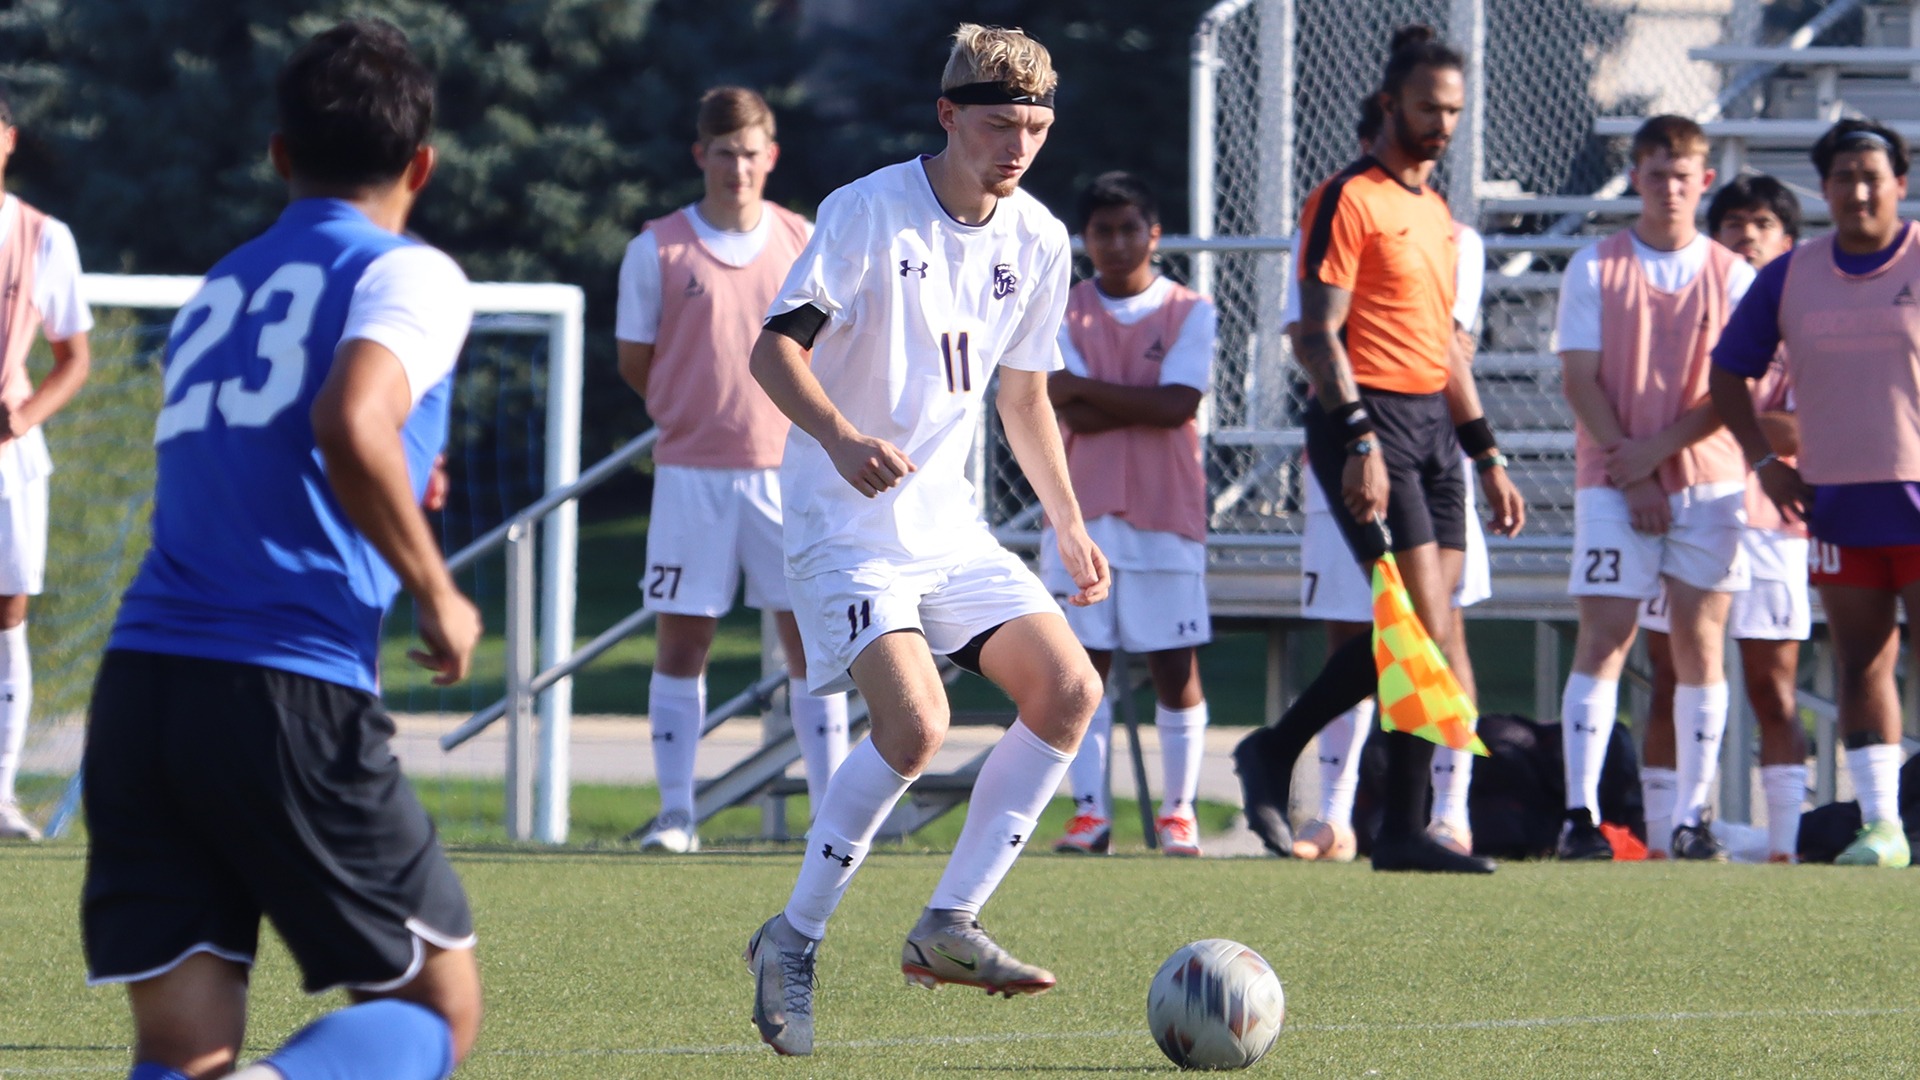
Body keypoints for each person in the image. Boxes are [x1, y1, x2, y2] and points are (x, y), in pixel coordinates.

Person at [80, 21, 483, 1079]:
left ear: (279, 154)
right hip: (280, 682)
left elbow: (265, 452)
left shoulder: (223, 283)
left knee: (182, 1046)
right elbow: (349, 422)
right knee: (435, 1008)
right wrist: (435, 588)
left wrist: (397, 464)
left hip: (142, 686)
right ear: (422, 166)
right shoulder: (410, 273)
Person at [740, 24, 1108, 1057]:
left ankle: (948, 924)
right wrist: (840, 436)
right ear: (948, 115)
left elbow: (1024, 398)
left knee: (1069, 691)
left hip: (949, 528)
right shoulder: (866, 211)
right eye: (999, 125)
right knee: (916, 726)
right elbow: (773, 354)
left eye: (1036, 127)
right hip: (844, 525)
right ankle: (792, 938)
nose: (1019, 145)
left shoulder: (1040, 239)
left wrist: (1068, 521)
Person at [1233, 26, 1522, 875]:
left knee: (1431, 629)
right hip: (1368, 420)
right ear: (1391, 104)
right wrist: (1359, 437)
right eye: (1429, 108)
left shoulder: (1436, 215)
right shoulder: (1346, 197)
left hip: (1434, 429)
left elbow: (1447, 351)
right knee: (1416, 625)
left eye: (1454, 111)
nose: (1443, 124)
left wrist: (1488, 455)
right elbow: (1315, 335)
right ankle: (1282, 755)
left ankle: (1400, 828)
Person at [616, 86, 847, 853]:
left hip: (790, 470)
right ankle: (676, 814)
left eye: (750, 153)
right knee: (684, 641)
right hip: (691, 475)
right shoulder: (656, 248)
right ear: (701, 155)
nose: (737, 168)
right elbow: (636, 361)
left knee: (810, 644)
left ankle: (831, 818)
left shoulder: (802, 237)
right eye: (724, 153)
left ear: (770, 156)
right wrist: (692, 409)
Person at [1711, 118, 1920, 869]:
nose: (1858, 192)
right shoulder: (1790, 275)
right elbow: (1727, 373)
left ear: (1900, 183)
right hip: (1838, 504)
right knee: (1863, 662)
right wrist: (1765, 459)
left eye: (1872, 177)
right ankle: (1884, 827)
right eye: (1843, 178)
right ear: (1824, 189)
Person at [1552, 115, 1757, 862]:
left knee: (1701, 645)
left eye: (1683, 176)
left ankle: (1692, 820)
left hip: (1706, 480)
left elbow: (1734, 389)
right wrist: (1629, 465)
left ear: (1705, 181)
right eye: (1657, 174)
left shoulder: (1733, 275)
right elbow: (1580, 378)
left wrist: (1656, 456)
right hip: (1612, 479)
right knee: (1605, 637)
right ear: (1636, 177)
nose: (1670, 188)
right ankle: (1580, 817)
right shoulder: (1594, 267)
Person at [1043, 171, 1216, 859]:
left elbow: (1178, 405)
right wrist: (1130, 399)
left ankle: (1179, 813)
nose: (1116, 243)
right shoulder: (1061, 308)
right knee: (1084, 671)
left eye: (1129, 229)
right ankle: (1090, 813)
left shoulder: (1191, 310)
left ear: (1155, 234)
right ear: (1085, 240)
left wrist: (1085, 391)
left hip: (1166, 512)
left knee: (1175, 664)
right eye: (1102, 231)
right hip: (1079, 515)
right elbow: (1067, 406)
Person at [1636, 175, 1807, 860]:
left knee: (1774, 687)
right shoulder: (1685, 321)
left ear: (1788, 240)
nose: (1747, 235)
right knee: (1668, 680)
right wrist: (1722, 422)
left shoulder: (1805, 324)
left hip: (1770, 523)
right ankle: (1663, 840)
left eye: (1762, 223)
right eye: (1733, 222)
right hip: (1686, 512)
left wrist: (1712, 419)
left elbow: (1802, 427)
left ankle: (1786, 849)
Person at [0, 88, 93, 842]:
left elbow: (74, 358)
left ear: (8, 140)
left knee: (7, 615)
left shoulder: (43, 237)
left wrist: (24, 415)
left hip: (8, 456)